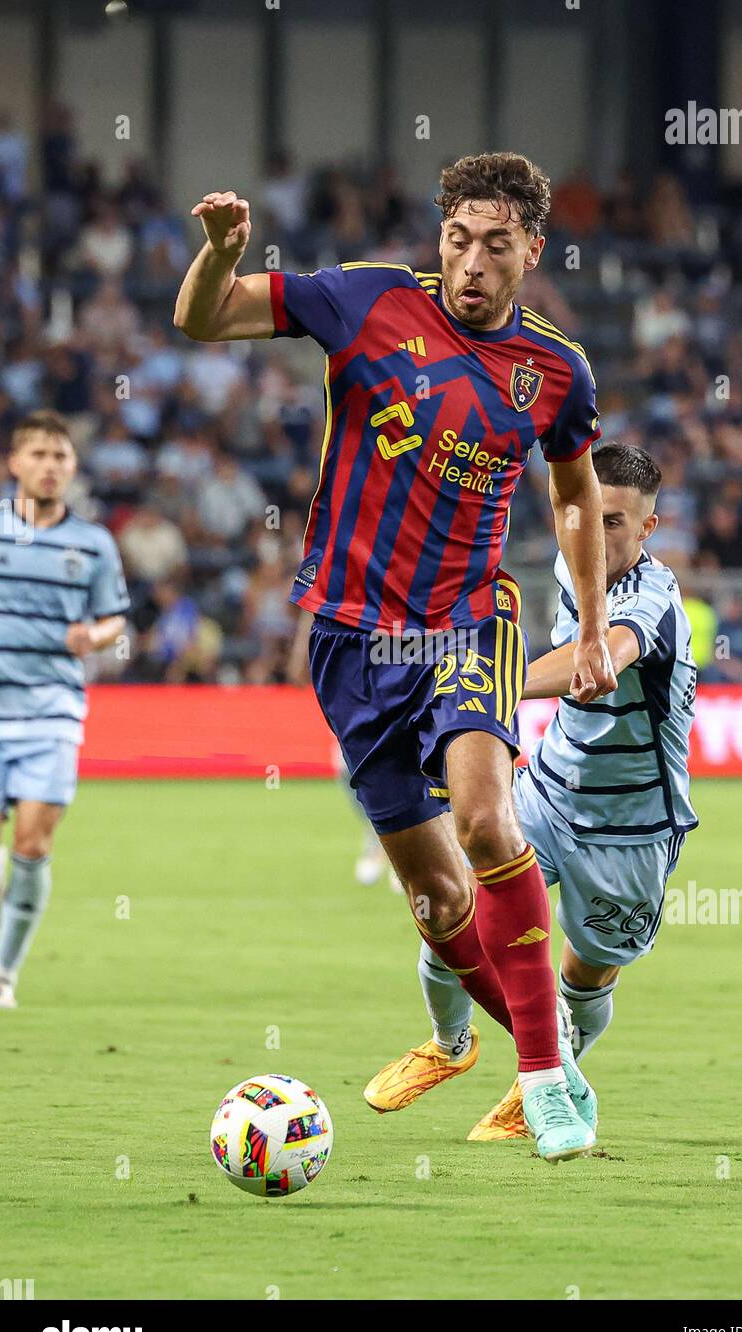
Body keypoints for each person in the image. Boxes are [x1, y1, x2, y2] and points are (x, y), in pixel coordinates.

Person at [174, 152, 616, 1162]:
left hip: (468, 616)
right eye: (456, 238)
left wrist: (589, 625)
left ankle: (544, 1082)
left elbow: (576, 495)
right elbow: (204, 318)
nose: (469, 261)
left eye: (494, 244)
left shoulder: (555, 373)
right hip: (349, 636)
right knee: (438, 901)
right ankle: (530, 1059)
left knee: (482, 814)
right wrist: (217, 254)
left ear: (529, 253)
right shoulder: (364, 300)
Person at [365, 443, 698, 1141]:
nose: (593, 534)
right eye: (581, 515)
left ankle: (544, 1077)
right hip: (546, 791)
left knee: (585, 978)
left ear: (648, 529)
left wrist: (481, 686)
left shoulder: (655, 601)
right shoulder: (569, 566)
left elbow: (597, 663)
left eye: (613, 522)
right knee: (449, 905)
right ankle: (450, 1045)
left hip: (630, 829)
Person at [0, 411, 129, 1008]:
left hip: (51, 712)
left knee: (32, 845)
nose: (50, 467)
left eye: (61, 457)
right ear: (15, 463)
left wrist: (96, 639)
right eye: (39, 455)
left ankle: (4, 973)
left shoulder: (92, 542)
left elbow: (116, 618)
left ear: (72, 467)